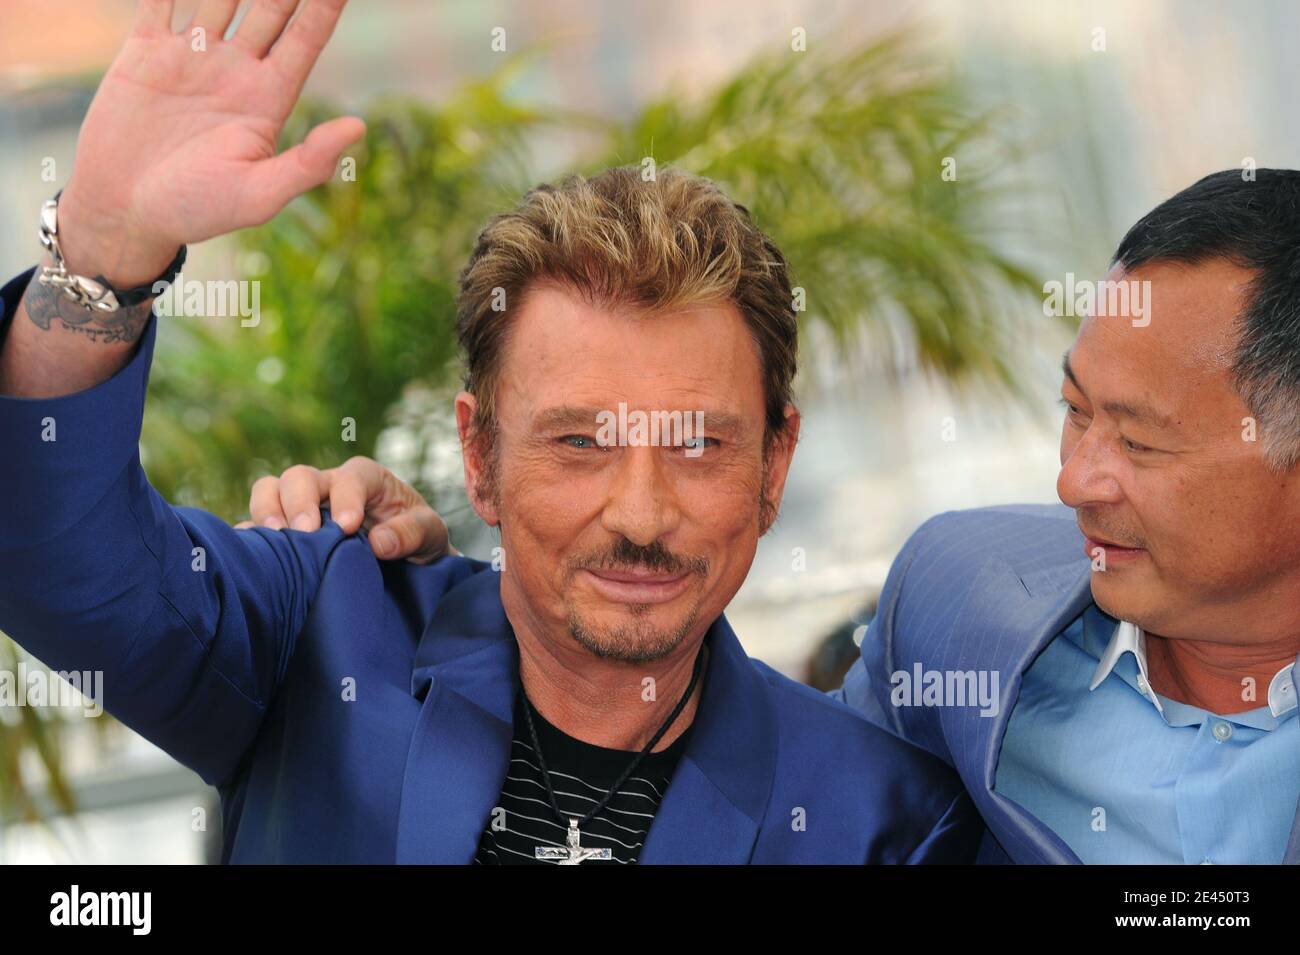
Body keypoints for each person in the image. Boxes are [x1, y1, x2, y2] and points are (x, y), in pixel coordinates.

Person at [0, 0, 980, 864]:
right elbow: (54, 560)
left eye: (697, 444)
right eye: (579, 443)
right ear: (479, 454)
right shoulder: (324, 625)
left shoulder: (882, 818)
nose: (641, 515)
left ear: (774, 464)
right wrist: (103, 251)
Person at [290, 169, 1300, 864]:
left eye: (1141, 443)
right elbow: (810, 787)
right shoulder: (963, 597)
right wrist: (452, 560)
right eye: (1075, 412)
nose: (1075, 480)